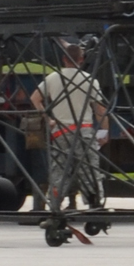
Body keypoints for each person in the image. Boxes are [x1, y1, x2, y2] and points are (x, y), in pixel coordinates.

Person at [30, 41, 103, 212]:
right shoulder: (90, 80)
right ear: (81, 59)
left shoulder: (53, 78)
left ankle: (55, 204)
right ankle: (94, 203)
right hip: (84, 130)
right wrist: (103, 131)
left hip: (61, 130)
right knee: (89, 169)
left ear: (64, 59)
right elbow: (100, 109)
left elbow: (35, 98)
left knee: (59, 171)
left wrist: (48, 119)